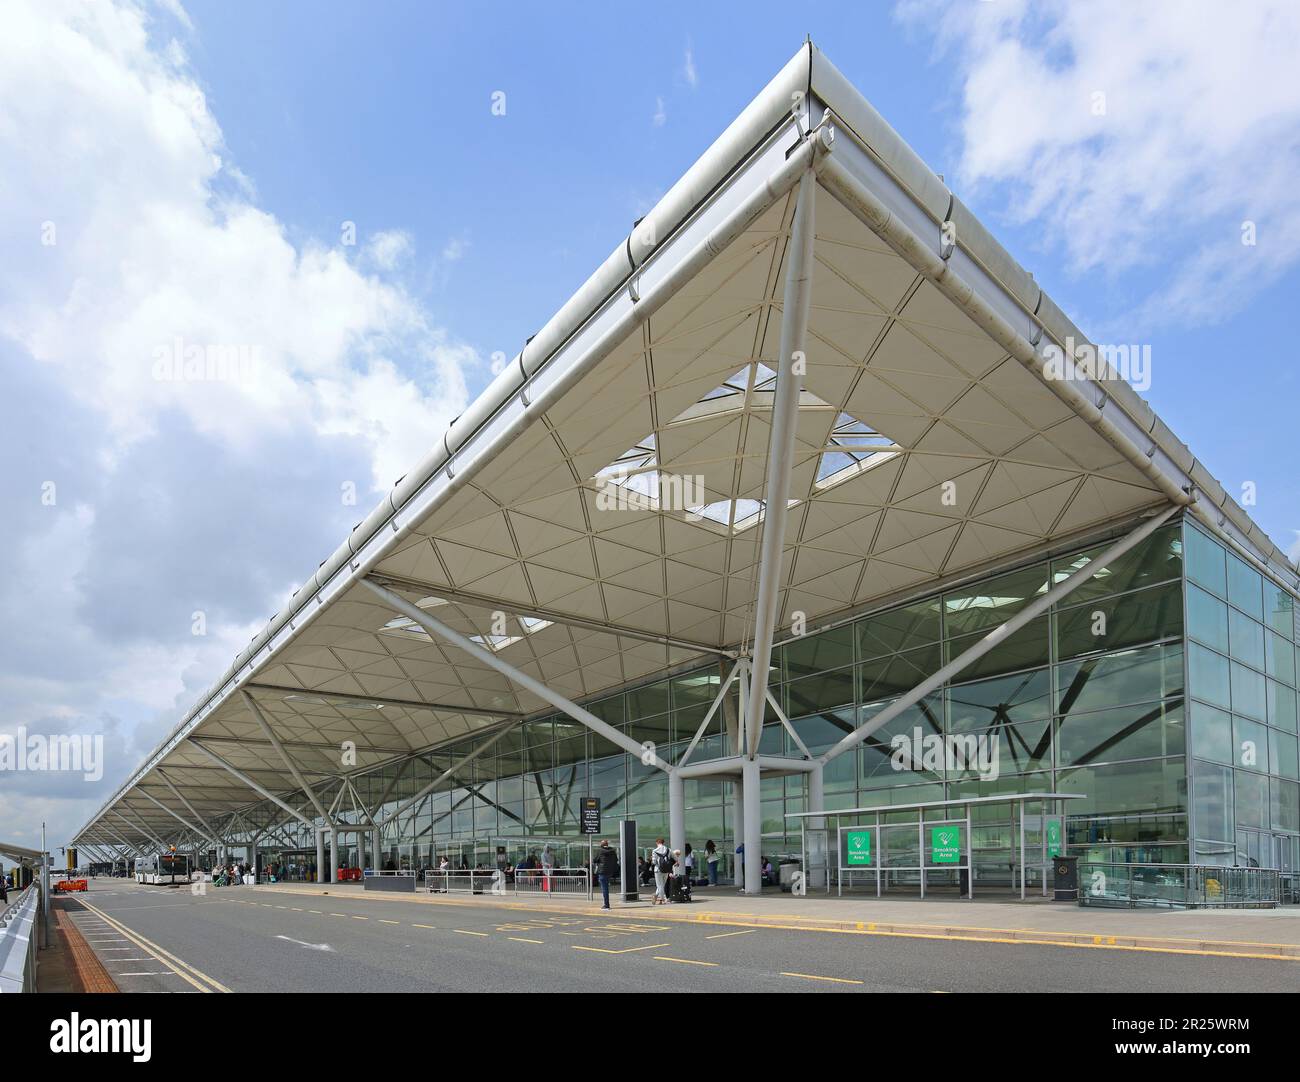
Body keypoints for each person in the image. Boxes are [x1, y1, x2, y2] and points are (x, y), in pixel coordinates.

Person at [596, 840, 618, 910]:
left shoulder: (600, 851)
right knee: (606, 887)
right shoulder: (613, 851)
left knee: (604, 888)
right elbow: (616, 860)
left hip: (602, 871)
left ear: (601, 845)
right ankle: (606, 904)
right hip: (610, 872)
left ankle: (606, 905)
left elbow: (595, 859)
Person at [651, 838, 671, 905]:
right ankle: (655, 896)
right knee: (662, 885)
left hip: (658, 870)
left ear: (657, 843)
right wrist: (677, 861)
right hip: (666, 869)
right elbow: (674, 856)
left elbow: (654, 862)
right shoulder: (668, 850)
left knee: (660, 885)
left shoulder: (655, 851)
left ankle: (662, 899)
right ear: (663, 842)